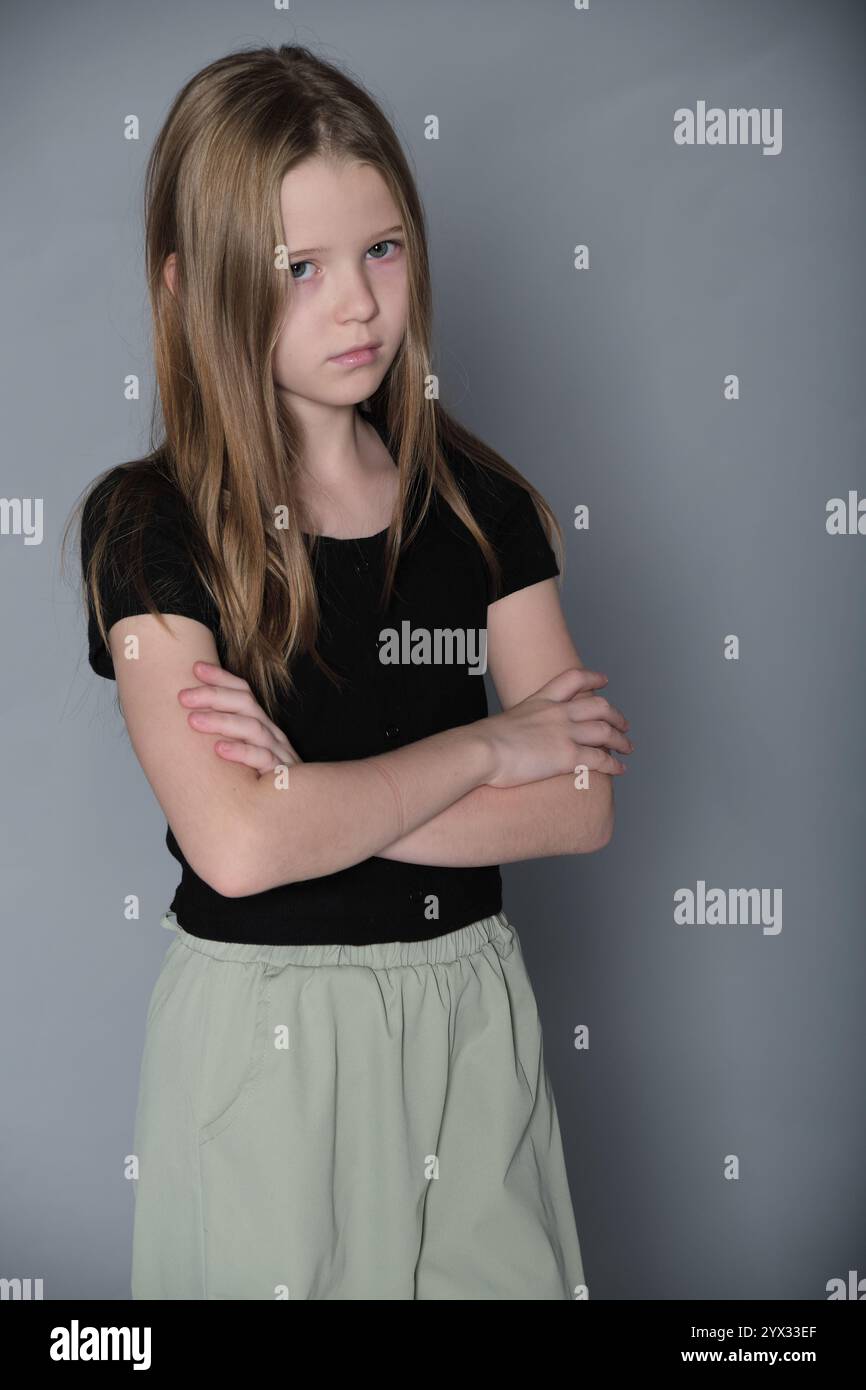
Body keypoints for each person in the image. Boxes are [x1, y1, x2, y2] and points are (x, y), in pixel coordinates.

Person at [71, 43, 634, 1300]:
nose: (358, 306)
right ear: (189, 286)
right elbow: (236, 849)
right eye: (298, 269)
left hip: (471, 1010)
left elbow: (583, 802)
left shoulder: (478, 507)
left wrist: (313, 798)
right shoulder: (146, 527)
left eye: (382, 249)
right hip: (268, 1037)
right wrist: (487, 748)